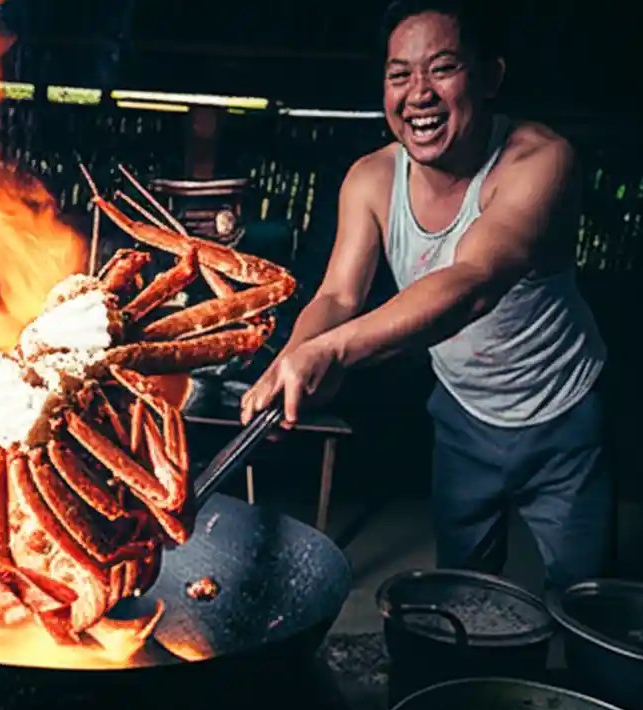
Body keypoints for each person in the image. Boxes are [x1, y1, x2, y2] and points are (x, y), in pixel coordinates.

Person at [240, 0, 612, 591]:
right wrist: (293, 363)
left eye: (442, 68)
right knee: (459, 592)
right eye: (399, 75)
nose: (419, 94)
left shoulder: (539, 160)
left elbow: (473, 284)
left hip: (562, 414)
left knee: (585, 598)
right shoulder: (371, 179)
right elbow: (338, 295)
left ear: (489, 77)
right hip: (462, 418)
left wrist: (332, 353)